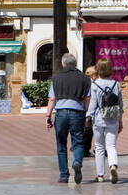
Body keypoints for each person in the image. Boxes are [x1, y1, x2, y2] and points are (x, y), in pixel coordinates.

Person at [46, 53, 91, 187]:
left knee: (61, 145)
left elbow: (52, 99)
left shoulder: (57, 78)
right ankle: (77, 161)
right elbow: (87, 99)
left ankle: (64, 175)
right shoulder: (85, 78)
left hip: (61, 114)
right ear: (75, 63)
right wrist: (86, 113)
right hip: (77, 113)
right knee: (78, 141)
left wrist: (48, 116)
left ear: (63, 64)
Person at [86, 58, 124, 183]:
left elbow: (93, 104)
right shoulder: (116, 84)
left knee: (99, 147)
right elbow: (120, 104)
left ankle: (100, 175)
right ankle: (113, 165)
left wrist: (88, 117)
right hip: (113, 118)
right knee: (111, 145)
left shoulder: (95, 84)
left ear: (98, 69)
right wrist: (120, 120)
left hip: (99, 119)